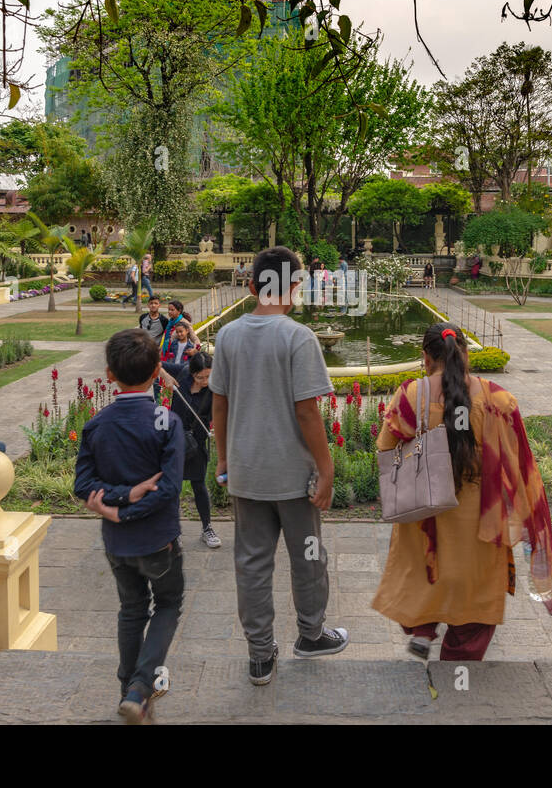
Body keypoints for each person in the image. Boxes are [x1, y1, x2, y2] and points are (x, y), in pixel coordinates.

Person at [371, 324, 552, 661]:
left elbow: (385, 446)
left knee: (422, 576)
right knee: (474, 600)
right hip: (479, 520)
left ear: (426, 358)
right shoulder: (498, 399)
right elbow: (517, 462)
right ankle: (459, 671)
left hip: (425, 514)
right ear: (466, 355)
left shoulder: (412, 395)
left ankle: (424, 631)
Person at [211, 246, 349, 686]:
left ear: (252, 286)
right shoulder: (298, 337)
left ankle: (259, 657)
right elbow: (307, 413)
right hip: (293, 479)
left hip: (247, 475)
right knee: (308, 558)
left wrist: (224, 458)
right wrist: (326, 471)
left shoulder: (228, 335)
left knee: (252, 564)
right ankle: (310, 635)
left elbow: (219, 403)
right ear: (295, 287)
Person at [74, 328, 185, 724]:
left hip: (117, 543)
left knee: (132, 610)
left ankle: (128, 689)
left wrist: (117, 503)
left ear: (108, 374)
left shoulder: (98, 424)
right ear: (159, 370)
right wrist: (129, 503)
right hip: (157, 539)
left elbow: (83, 486)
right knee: (168, 604)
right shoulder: (166, 421)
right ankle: (140, 688)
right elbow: (169, 488)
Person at [161, 351, 221, 549]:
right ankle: (174, 531)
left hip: (197, 442)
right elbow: (152, 362)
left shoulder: (215, 388)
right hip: (176, 439)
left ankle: (207, 528)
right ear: (191, 373)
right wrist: (165, 375)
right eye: (200, 377)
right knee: (174, 487)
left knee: (199, 484)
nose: (205, 381)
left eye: (208, 376)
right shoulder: (181, 373)